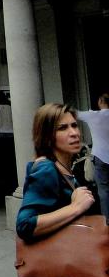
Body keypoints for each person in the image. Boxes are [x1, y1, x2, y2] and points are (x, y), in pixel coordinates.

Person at [17, 103, 99, 242]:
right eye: (62, 128)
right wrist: (75, 207)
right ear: (47, 136)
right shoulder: (46, 170)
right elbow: (25, 225)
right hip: (61, 258)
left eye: (74, 125)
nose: (74, 133)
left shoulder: (65, 167)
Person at [78, 93, 109, 223]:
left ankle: (107, 221)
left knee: (103, 191)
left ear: (100, 101)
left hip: (101, 157)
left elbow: (74, 113)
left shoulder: (94, 116)